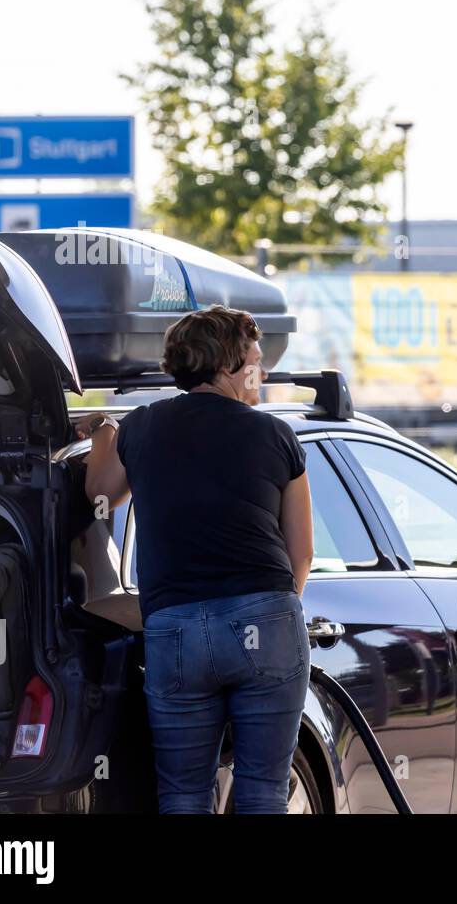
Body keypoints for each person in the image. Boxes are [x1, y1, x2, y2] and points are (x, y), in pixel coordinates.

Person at [82, 304, 314, 814]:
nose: (263, 372)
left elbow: (101, 495)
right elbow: (302, 553)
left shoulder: (142, 428)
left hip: (176, 628)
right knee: (263, 789)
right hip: (266, 618)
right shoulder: (275, 435)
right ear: (228, 366)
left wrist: (103, 430)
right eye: (255, 360)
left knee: (184, 793)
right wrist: (272, 619)